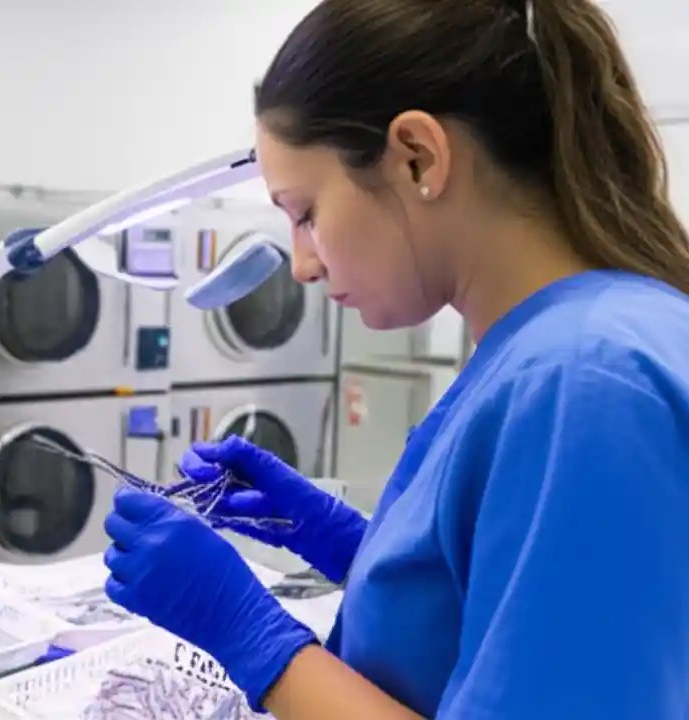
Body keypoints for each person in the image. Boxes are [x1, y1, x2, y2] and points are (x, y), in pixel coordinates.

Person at [100, 0, 689, 717]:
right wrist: (359, 548)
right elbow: (508, 618)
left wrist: (249, 634)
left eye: (306, 212)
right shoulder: (560, 343)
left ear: (418, 158)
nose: (302, 265)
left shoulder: (583, 381)